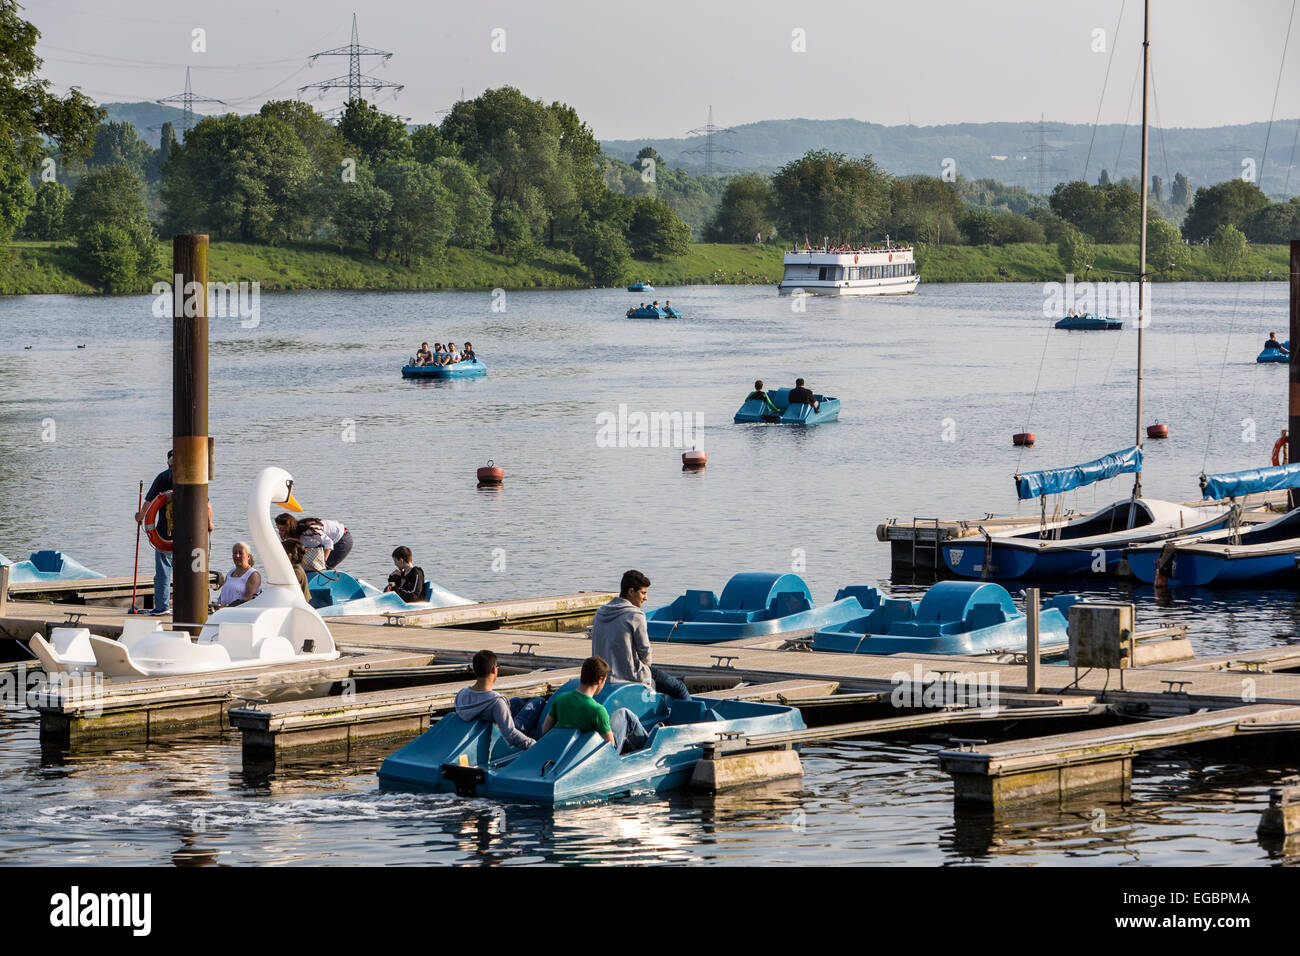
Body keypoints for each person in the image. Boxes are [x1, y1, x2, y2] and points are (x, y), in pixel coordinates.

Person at [590, 569, 689, 700]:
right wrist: (646, 671)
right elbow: (645, 653)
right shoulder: (635, 615)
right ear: (631, 592)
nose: (645, 598)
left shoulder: (600, 613)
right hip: (629, 675)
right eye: (643, 593)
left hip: (603, 676)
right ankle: (688, 720)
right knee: (680, 689)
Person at [540, 655, 649, 754]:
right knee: (624, 714)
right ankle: (649, 747)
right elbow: (610, 747)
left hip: (568, 753)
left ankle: (634, 746)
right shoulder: (597, 710)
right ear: (600, 680)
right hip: (595, 756)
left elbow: (545, 730)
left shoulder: (560, 699)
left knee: (623, 736)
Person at [454, 649, 543, 748]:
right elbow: (510, 734)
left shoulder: (461, 694)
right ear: (494, 669)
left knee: (516, 701)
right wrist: (533, 745)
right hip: (501, 738)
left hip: (483, 725)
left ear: (474, 670)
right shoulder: (496, 701)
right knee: (538, 701)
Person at [136, 449, 175, 615]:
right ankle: (185, 605)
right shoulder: (191, 476)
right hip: (187, 535)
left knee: (163, 573)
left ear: (168, 462)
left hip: (163, 535)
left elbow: (149, 501)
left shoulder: (163, 477)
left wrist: (140, 516)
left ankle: (162, 607)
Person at [275, 514, 352, 569]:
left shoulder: (308, 530)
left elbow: (328, 543)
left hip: (342, 539)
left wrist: (323, 561)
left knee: (323, 567)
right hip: (323, 542)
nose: (280, 532)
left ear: (290, 528)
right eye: (279, 529)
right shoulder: (296, 535)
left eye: (282, 529)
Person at [216, 541, 261, 608]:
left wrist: (227, 607)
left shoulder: (253, 575)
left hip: (238, 613)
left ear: (248, 556)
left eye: (240, 553)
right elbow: (222, 596)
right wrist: (217, 604)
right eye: (235, 553)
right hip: (223, 612)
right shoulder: (230, 573)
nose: (237, 556)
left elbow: (248, 600)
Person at [282, 537, 312, 603]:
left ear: (289, 555)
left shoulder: (296, 572)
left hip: (301, 606)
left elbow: (288, 593)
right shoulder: (293, 569)